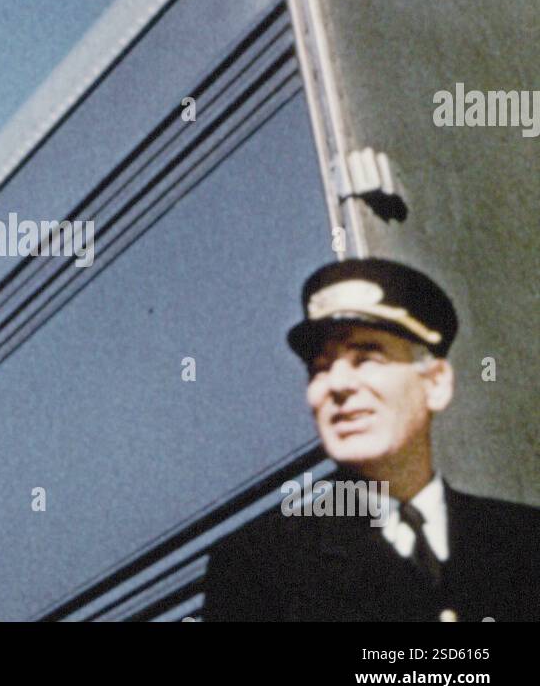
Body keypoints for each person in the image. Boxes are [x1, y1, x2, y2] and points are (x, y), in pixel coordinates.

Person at [201, 258, 539, 621]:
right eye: (320, 368)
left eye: (366, 358)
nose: (338, 384)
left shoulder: (523, 543)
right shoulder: (259, 567)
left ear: (436, 384)